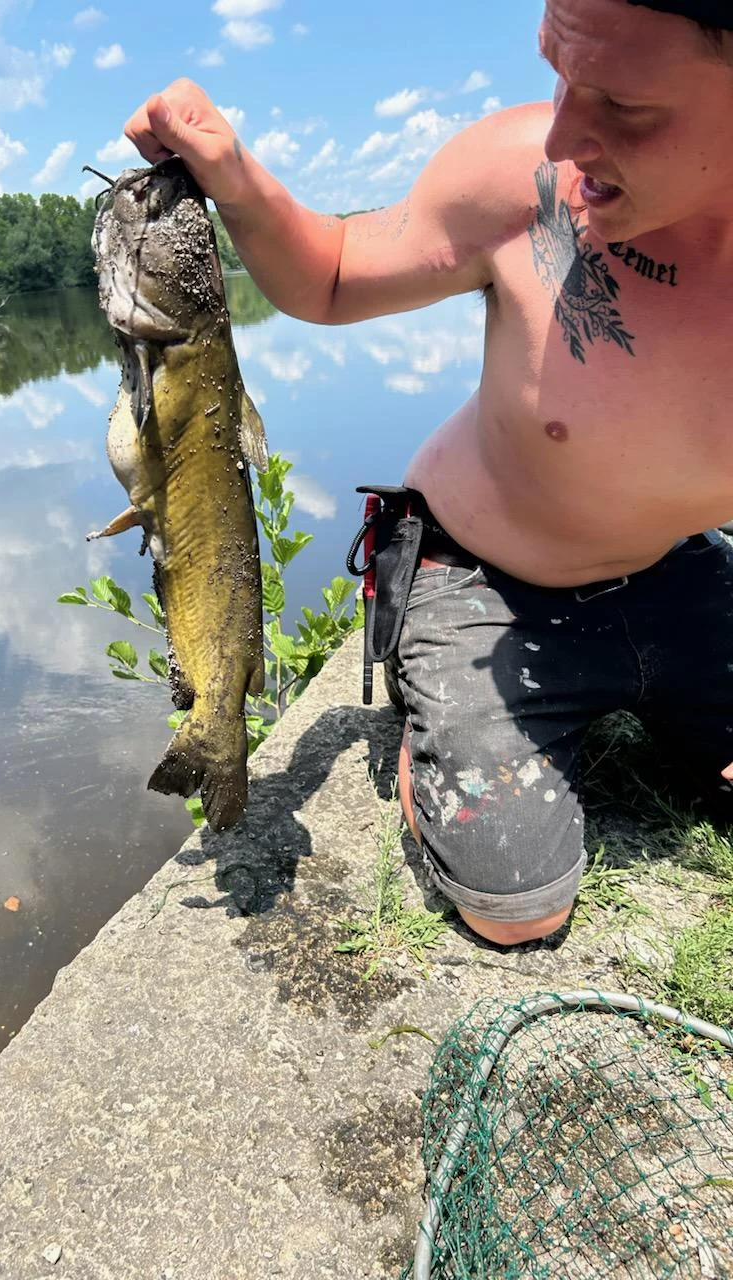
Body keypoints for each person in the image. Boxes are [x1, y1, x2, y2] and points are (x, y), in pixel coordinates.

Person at [123, 0, 733, 946]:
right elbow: (330, 276)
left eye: (623, 102)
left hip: (678, 568)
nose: (566, 132)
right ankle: (430, 718)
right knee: (519, 908)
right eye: (559, 73)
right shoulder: (518, 177)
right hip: (487, 581)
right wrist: (234, 178)